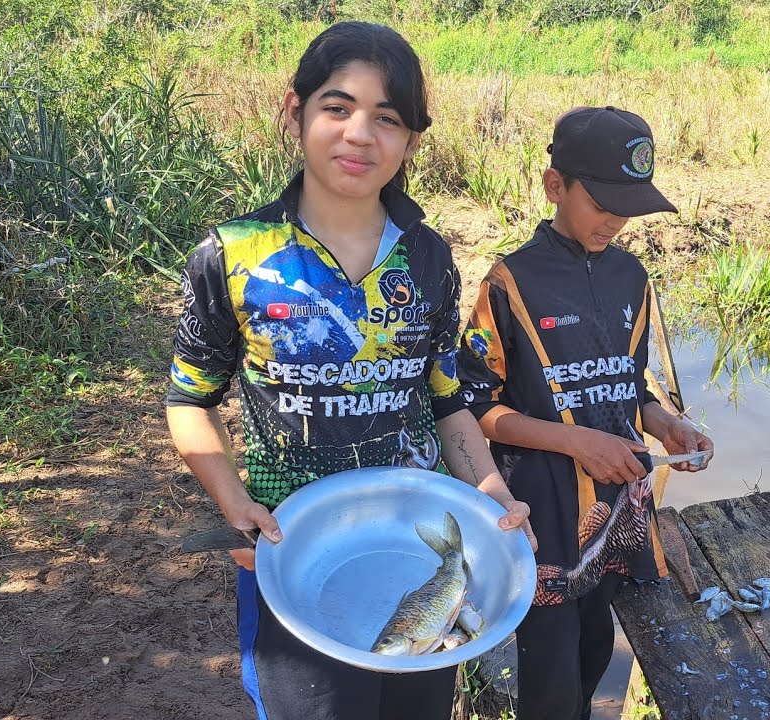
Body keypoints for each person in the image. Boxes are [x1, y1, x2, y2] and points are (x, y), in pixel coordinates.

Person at [164, 22, 535, 720]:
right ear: (294, 109)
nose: (360, 134)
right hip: (293, 551)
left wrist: (488, 492)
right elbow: (189, 400)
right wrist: (233, 503)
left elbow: (447, 399)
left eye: (387, 118)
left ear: (412, 141)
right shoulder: (234, 256)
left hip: (412, 547)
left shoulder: (428, 259)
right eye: (338, 107)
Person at [456, 106, 715, 720]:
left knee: (597, 644)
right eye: (601, 204)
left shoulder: (632, 276)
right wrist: (575, 443)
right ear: (555, 186)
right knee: (549, 670)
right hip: (541, 511)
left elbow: (631, 388)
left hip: (615, 505)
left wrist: (667, 423)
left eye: (627, 208)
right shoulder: (510, 283)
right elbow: (476, 409)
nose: (615, 222)